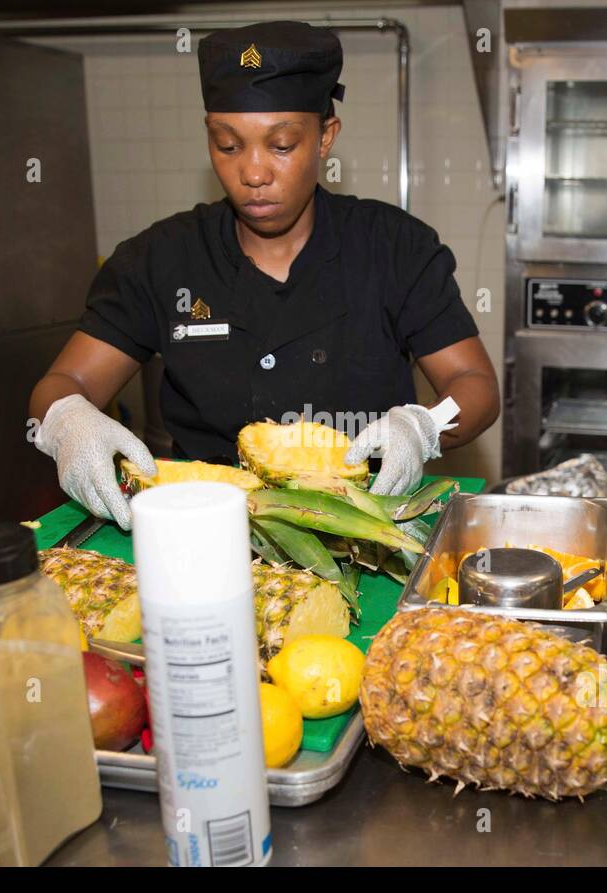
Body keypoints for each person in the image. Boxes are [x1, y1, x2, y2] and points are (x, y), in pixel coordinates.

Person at [30, 20, 499, 528]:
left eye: (281, 145)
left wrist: (423, 427)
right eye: (228, 146)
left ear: (325, 138)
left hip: (362, 525)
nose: (253, 173)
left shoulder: (395, 248)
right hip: (200, 526)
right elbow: (65, 380)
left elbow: (473, 383)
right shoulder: (160, 258)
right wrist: (67, 419)